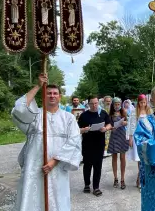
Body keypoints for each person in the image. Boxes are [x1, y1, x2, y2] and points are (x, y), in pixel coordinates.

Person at [11, 74, 81, 210]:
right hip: (35, 166)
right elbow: (19, 110)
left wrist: (55, 161)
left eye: (55, 93)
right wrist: (38, 86)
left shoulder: (68, 118)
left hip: (58, 167)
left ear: (60, 97)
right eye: (48, 93)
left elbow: (74, 141)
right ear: (44, 96)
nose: (52, 96)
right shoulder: (35, 115)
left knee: (57, 198)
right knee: (34, 197)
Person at [78, 96, 113, 197]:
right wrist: (84, 129)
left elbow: (110, 124)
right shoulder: (84, 115)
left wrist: (105, 128)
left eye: (96, 103)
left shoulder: (103, 113)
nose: (94, 105)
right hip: (87, 144)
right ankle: (87, 184)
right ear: (88, 104)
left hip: (99, 143)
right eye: (92, 103)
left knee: (98, 166)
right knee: (87, 165)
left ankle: (96, 187)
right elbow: (77, 129)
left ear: (98, 103)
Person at [127, 94, 151, 189]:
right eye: (141, 102)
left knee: (147, 158)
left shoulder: (149, 111)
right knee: (140, 159)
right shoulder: (134, 112)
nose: (143, 104)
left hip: (147, 137)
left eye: (144, 102)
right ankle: (140, 178)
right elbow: (132, 125)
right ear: (138, 103)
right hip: (138, 137)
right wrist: (130, 138)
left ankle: (142, 178)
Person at [107, 97, 129, 189]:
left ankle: (122, 179)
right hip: (114, 135)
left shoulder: (124, 112)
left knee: (123, 157)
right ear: (113, 104)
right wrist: (111, 127)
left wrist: (125, 123)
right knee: (114, 157)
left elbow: (128, 122)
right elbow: (108, 124)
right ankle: (115, 178)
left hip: (122, 135)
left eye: (118, 104)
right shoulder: (111, 113)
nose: (117, 106)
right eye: (115, 104)